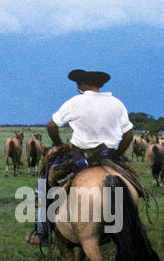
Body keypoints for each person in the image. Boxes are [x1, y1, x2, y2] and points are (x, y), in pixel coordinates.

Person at [26, 69, 134, 247]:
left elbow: (51, 125)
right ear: (99, 85)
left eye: (78, 84)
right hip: (109, 157)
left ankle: (43, 234)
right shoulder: (117, 103)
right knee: (132, 183)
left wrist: (60, 144)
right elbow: (129, 135)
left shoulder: (77, 101)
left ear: (83, 85)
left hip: (80, 157)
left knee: (44, 184)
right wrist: (116, 153)